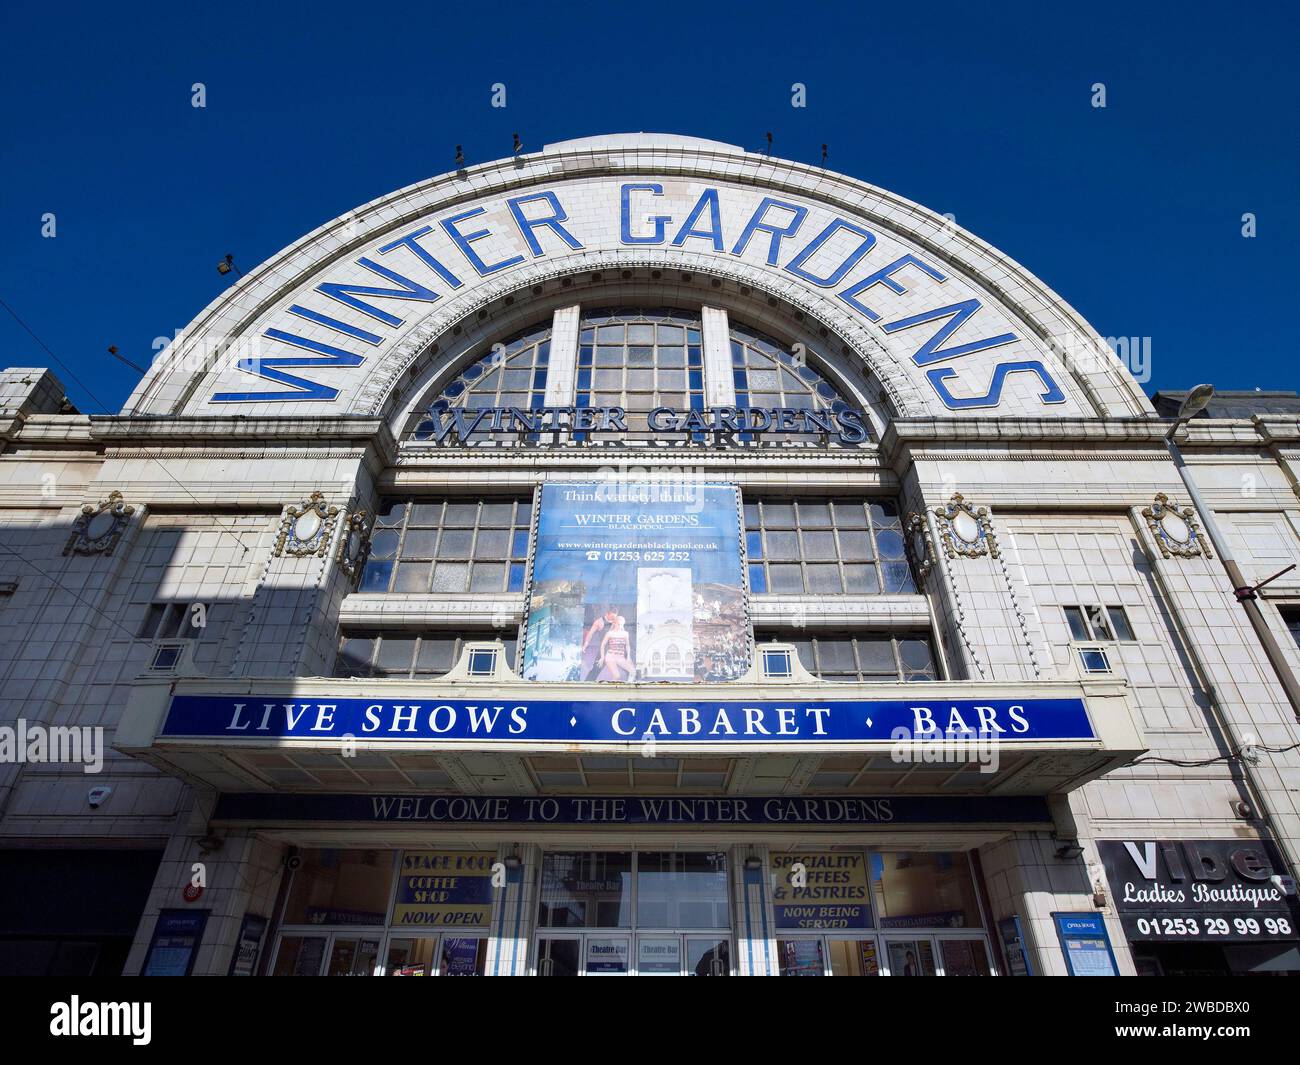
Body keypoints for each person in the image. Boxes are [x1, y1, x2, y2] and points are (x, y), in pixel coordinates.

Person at [580, 608, 617, 681]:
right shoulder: (599, 622)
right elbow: (590, 634)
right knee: (597, 668)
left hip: (616, 649)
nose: (613, 619)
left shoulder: (616, 621)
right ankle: (588, 684)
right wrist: (585, 645)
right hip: (604, 649)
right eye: (612, 617)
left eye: (614, 617)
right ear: (607, 614)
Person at [597, 615, 635, 681]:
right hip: (610, 656)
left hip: (620, 657)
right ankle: (611, 689)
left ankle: (629, 687)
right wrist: (602, 657)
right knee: (617, 676)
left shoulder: (625, 633)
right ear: (614, 623)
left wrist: (628, 656)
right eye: (618, 624)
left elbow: (627, 645)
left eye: (622, 625)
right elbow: (602, 645)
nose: (620, 626)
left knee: (633, 671)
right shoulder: (609, 633)